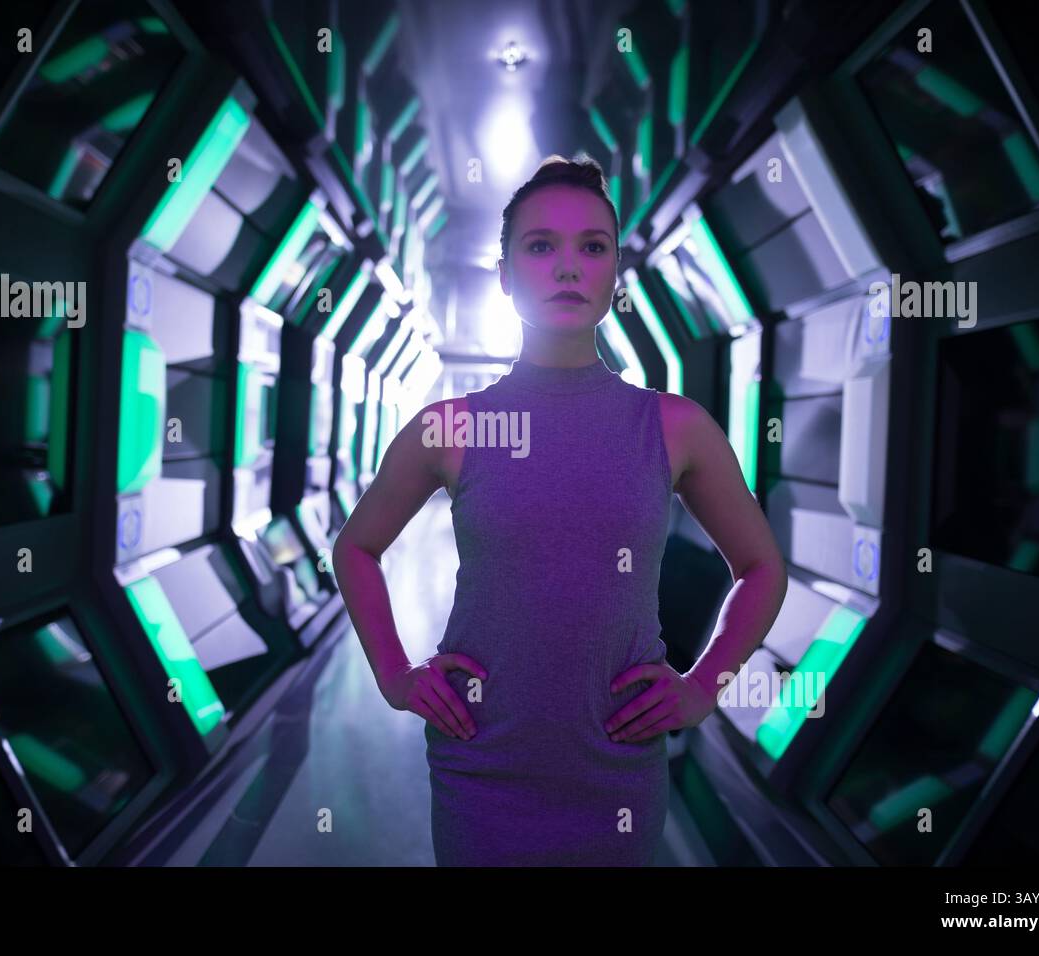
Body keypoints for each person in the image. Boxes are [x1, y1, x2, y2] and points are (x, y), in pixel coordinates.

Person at [331, 154, 788, 866]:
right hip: (480, 763)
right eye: (541, 247)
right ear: (506, 276)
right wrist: (394, 675)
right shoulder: (452, 427)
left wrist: (702, 687)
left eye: (592, 247)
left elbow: (761, 568)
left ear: (614, 273)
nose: (568, 267)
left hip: (617, 766)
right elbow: (356, 548)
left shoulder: (673, 427)